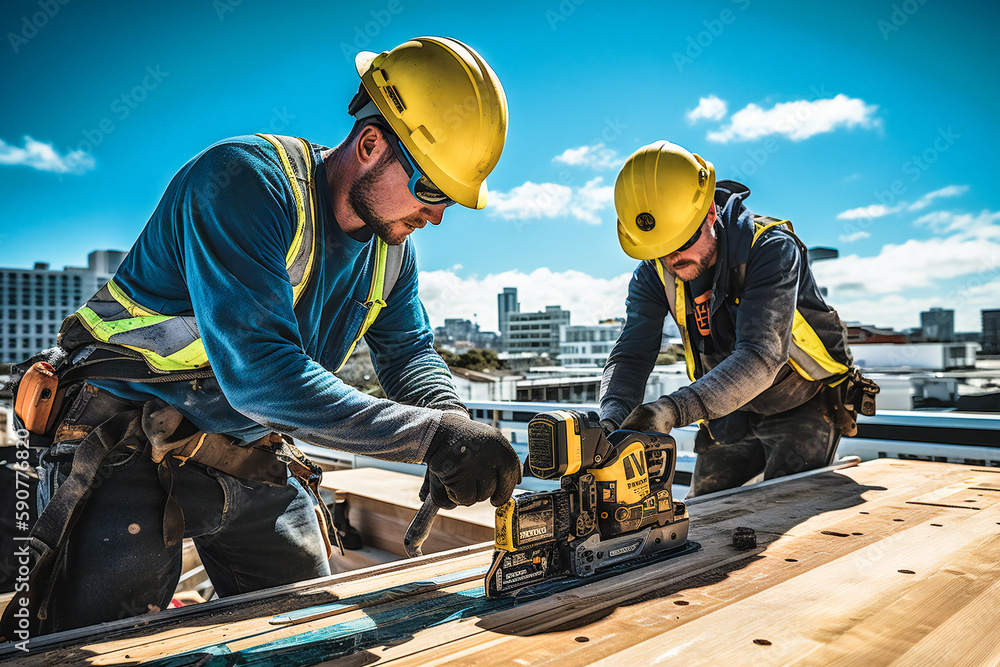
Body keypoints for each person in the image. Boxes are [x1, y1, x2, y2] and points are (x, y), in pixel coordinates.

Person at [1, 36, 520, 638]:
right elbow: (262, 375)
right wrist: (430, 439)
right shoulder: (245, 183)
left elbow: (408, 352)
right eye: (431, 189)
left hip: (243, 446)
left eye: (450, 200)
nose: (436, 213)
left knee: (315, 635)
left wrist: (451, 421)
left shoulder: (391, 253)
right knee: (105, 641)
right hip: (123, 436)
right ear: (372, 144)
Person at [600, 141, 873, 498]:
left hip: (800, 405)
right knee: (702, 512)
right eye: (660, 250)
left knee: (785, 511)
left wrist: (670, 410)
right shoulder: (654, 272)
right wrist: (610, 421)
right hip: (726, 408)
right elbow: (632, 355)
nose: (673, 258)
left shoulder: (771, 248)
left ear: (710, 214)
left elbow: (762, 355)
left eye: (682, 241)